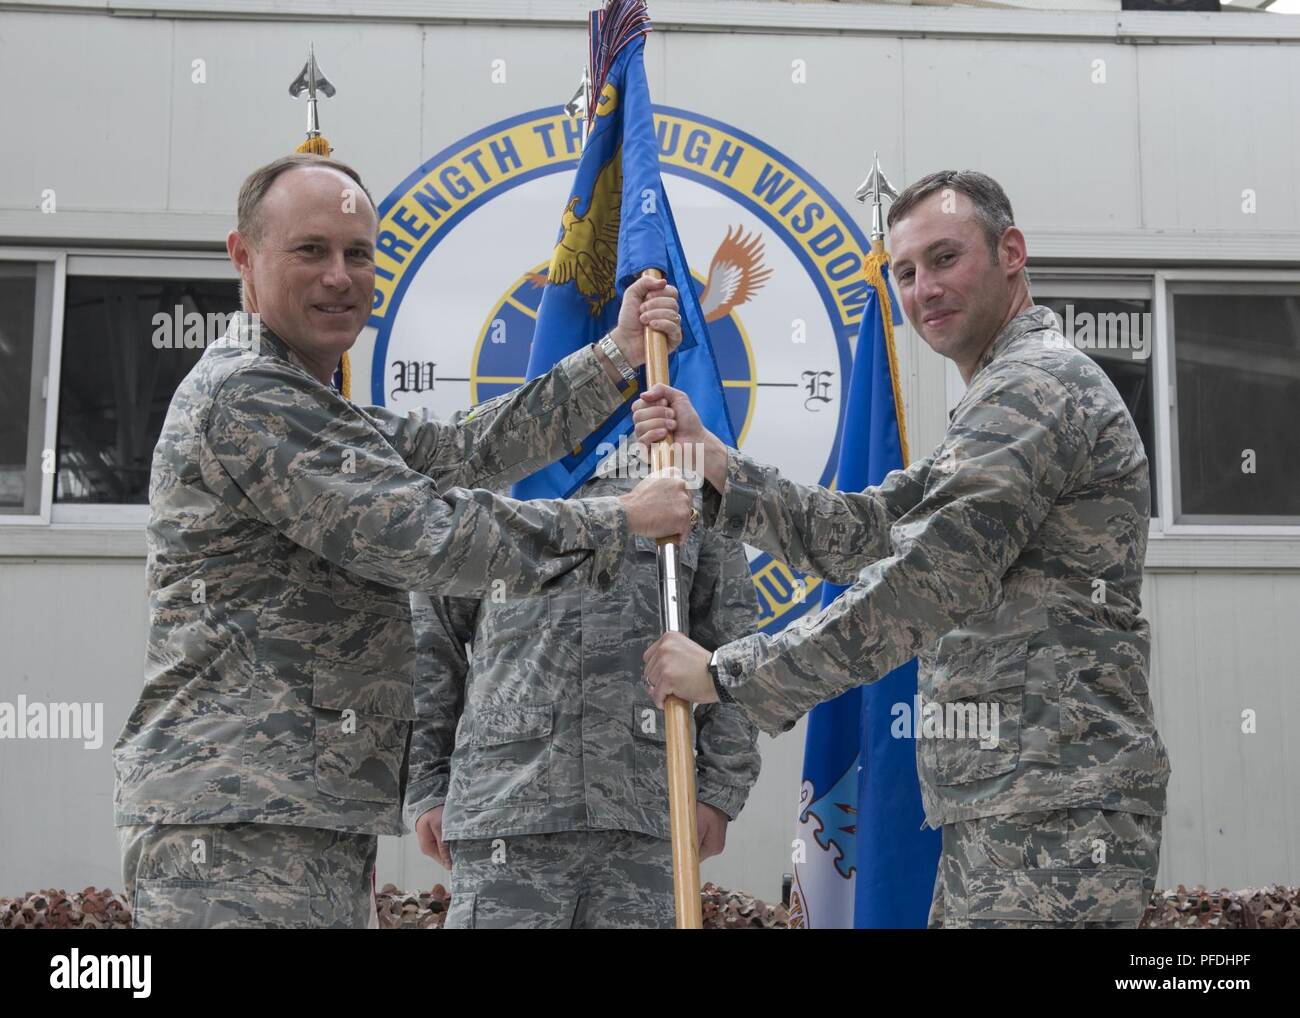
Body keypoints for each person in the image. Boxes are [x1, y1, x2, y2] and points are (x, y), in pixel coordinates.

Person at [114, 153, 693, 928]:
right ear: (243, 257)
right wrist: (619, 519)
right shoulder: (246, 396)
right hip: (239, 826)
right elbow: (427, 536)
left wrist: (614, 356)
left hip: (293, 813)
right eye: (310, 250)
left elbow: (460, 456)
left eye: (358, 254)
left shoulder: (305, 399)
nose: (339, 276)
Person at [637, 170, 1171, 929]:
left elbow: (923, 582)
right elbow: (872, 527)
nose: (924, 289)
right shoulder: (1001, 396)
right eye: (906, 271)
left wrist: (727, 674)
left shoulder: (1035, 389)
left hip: (1052, 810)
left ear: (1011, 252)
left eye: (946, 259)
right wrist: (716, 465)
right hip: (1022, 799)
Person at [405, 440, 762, 928]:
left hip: (646, 812)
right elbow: (430, 649)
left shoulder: (684, 486)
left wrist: (719, 790)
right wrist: (426, 786)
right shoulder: (488, 475)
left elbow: (732, 645)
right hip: (506, 809)